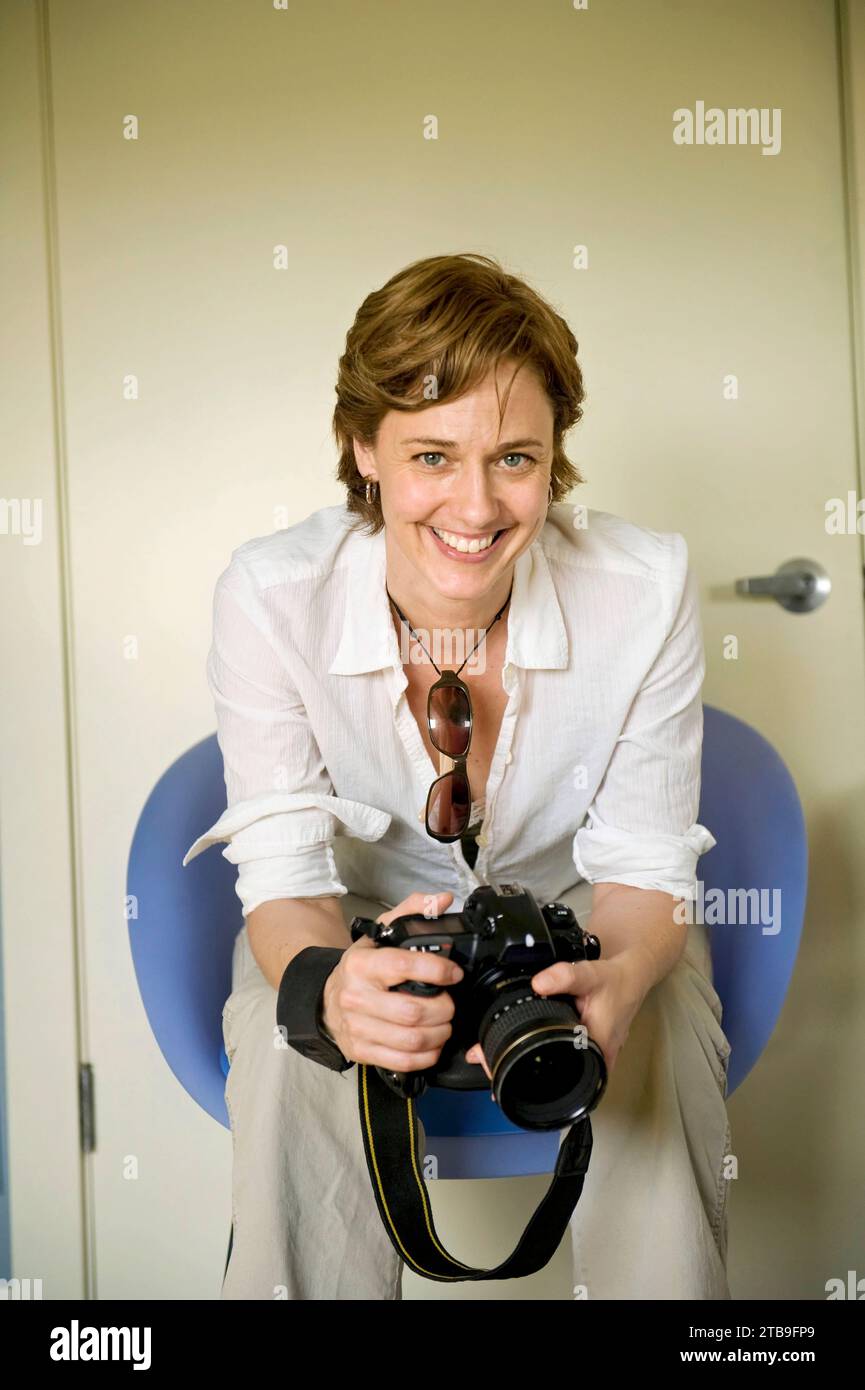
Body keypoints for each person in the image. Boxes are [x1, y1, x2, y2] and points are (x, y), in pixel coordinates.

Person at [183, 251, 732, 1300]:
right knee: (288, 1026)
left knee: (661, 1004)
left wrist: (613, 979)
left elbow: (646, 869)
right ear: (364, 449)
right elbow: (286, 885)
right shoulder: (268, 594)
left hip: (571, 903)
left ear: (555, 458)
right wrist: (330, 991)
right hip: (355, 910)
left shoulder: (646, 584)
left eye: (515, 458)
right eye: (433, 454)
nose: (476, 508)